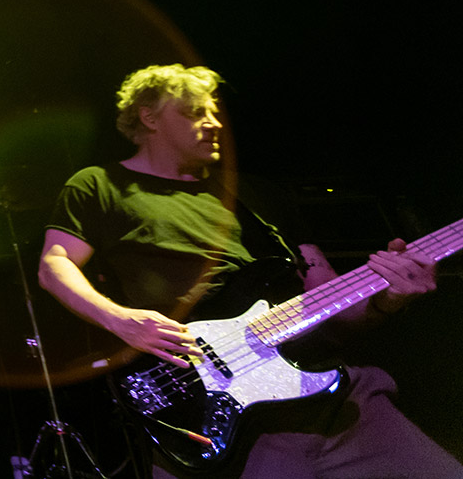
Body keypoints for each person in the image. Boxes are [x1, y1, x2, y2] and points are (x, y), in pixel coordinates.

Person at [38, 63, 460, 478]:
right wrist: (121, 320)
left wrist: (388, 299)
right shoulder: (98, 185)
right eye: (194, 112)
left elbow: (332, 307)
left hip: (331, 395)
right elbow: (55, 264)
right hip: (214, 408)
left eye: (216, 112)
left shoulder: (258, 195)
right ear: (148, 117)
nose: (214, 123)